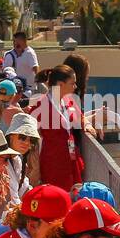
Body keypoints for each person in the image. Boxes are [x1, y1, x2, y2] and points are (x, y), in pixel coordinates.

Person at [30, 65, 87, 193]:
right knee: (57, 200)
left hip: (70, 160)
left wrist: (90, 124)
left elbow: (81, 119)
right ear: (60, 84)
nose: (75, 86)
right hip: (53, 163)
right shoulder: (41, 104)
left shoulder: (68, 101)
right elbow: (30, 132)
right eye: (72, 83)